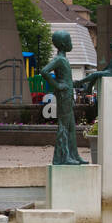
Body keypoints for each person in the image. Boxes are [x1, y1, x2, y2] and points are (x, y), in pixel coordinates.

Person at [41, 31, 88, 165]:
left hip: (67, 95)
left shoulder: (64, 59)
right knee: (64, 126)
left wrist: (74, 83)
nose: (71, 43)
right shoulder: (59, 59)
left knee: (71, 127)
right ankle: (63, 156)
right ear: (63, 44)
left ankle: (74, 154)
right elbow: (44, 71)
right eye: (70, 41)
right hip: (63, 96)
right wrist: (58, 85)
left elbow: (66, 78)